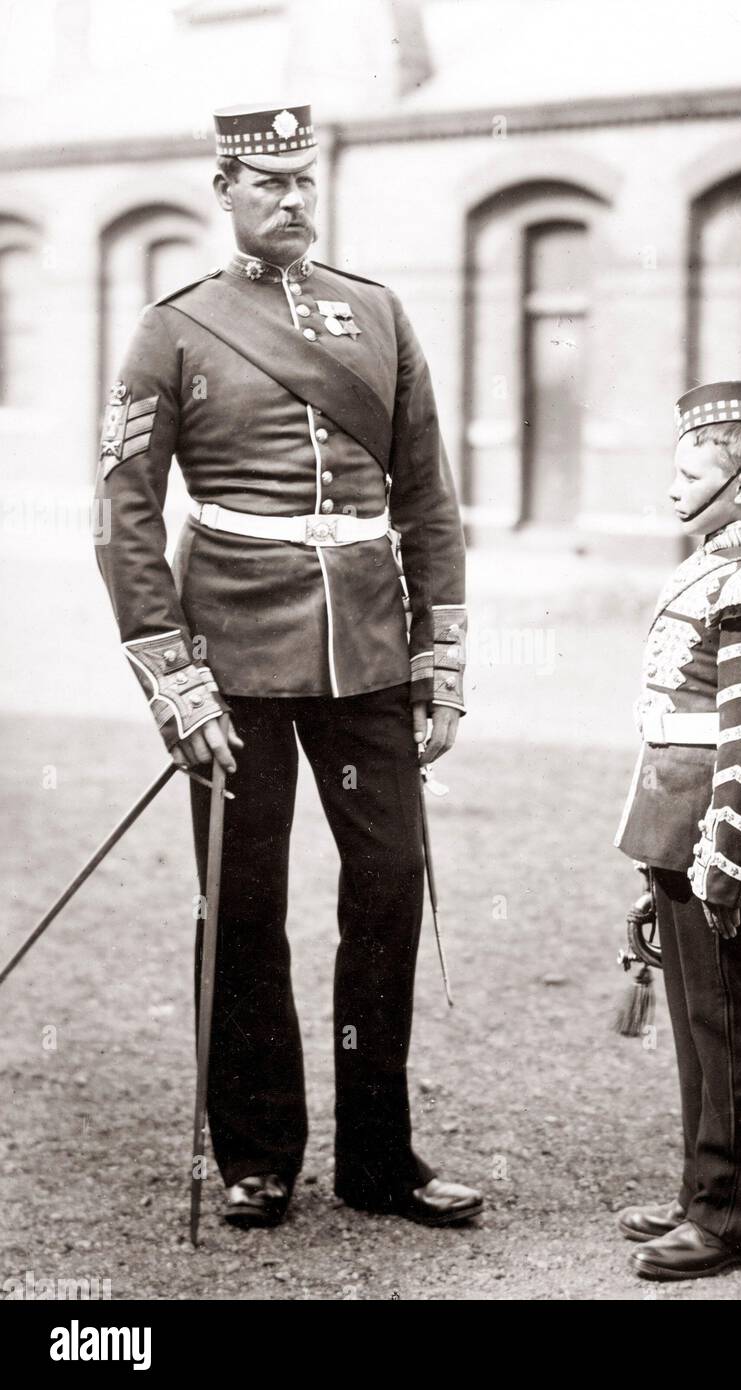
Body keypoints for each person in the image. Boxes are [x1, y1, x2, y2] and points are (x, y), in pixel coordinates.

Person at [93, 101, 482, 1230]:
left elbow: (428, 499)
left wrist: (439, 660)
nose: (292, 199)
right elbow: (124, 515)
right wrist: (175, 681)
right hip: (232, 660)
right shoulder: (173, 329)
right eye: (268, 183)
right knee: (244, 902)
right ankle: (257, 1153)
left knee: (388, 888)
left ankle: (379, 1158)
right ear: (224, 191)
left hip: (367, 651)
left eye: (304, 179)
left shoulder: (378, 313)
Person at [613, 380, 741, 1280]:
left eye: (689, 474)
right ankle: (703, 1192)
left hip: (717, 830)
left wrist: (724, 859)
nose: (671, 487)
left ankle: (732, 1219)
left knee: (724, 1021)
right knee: (697, 1022)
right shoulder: (708, 563)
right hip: (676, 819)